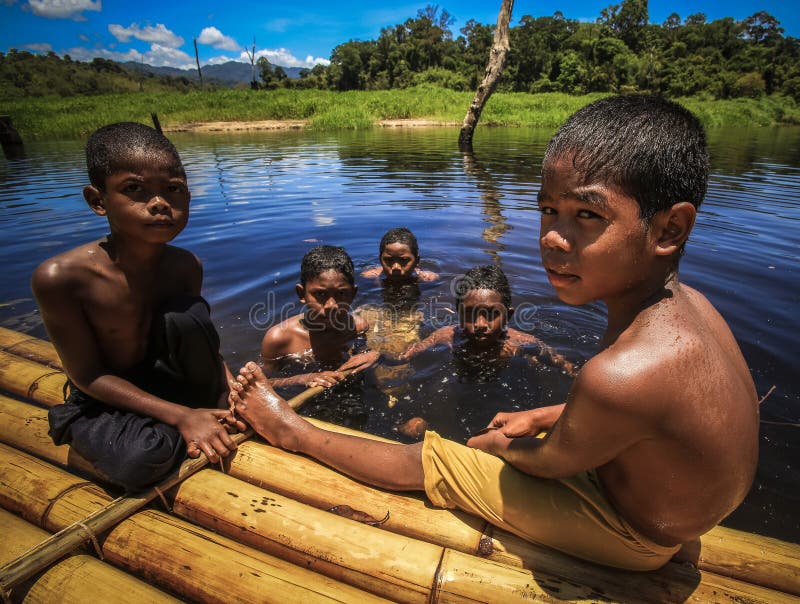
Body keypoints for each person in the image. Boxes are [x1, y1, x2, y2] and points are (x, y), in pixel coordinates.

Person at [228, 95, 759, 571]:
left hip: (635, 537)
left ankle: (289, 431)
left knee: (436, 458)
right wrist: (542, 414)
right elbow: (652, 415)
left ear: (670, 228)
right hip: (672, 515)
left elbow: (548, 460)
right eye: (548, 209)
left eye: (587, 214)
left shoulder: (621, 372)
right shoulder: (695, 311)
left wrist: (498, 446)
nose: (552, 236)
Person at [31, 122, 243, 492]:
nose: (160, 203)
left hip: (166, 380)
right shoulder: (60, 277)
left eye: (173, 190)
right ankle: (169, 423)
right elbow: (87, 376)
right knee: (145, 456)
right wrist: (181, 416)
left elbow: (198, 341)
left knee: (187, 318)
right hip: (103, 396)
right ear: (98, 201)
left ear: (189, 198)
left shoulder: (185, 265)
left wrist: (231, 389)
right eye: (134, 190)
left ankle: (203, 411)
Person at [400, 265, 575, 376]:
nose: (480, 325)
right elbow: (406, 356)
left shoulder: (522, 342)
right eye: (469, 314)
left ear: (509, 315)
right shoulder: (445, 336)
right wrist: (380, 356)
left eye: (491, 314)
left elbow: (563, 364)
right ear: (458, 314)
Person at [260, 245, 377, 391]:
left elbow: (363, 353)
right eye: (320, 295)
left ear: (353, 294)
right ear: (301, 294)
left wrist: (374, 355)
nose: (331, 305)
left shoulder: (358, 326)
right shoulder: (280, 338)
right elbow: (261, 384)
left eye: (341, 294)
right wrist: (301, 379)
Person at [361, 227, 439, 283]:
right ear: (380, 260)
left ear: (417, 261)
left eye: (404, 260)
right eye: (388, 260)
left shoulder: (428, 278)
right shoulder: (369, 276)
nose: (396, 267)